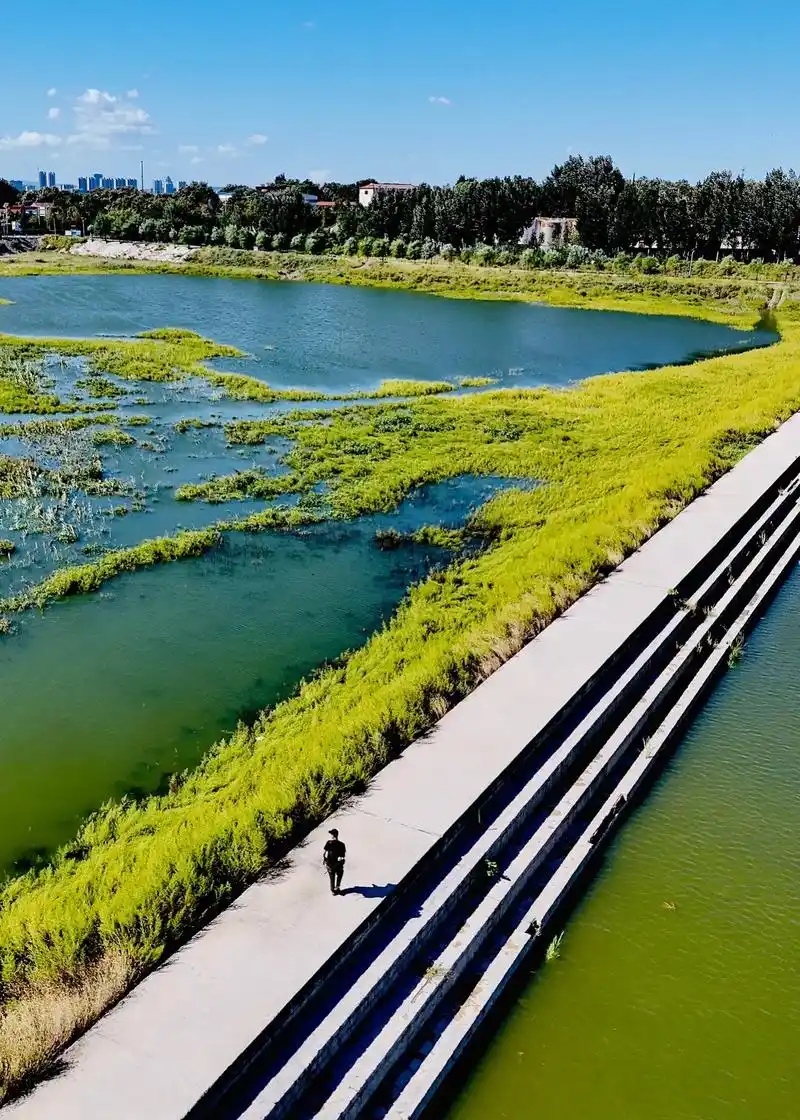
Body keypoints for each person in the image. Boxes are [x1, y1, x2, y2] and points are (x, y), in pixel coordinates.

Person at [323, 828, 346, 895]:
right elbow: (342, 856)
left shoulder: (329, 842)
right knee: (340, 873)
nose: (331, 835)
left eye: (331, 834)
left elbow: (325, 853)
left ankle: (334, 890)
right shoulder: (342, 844)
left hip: (330, 865)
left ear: (333, 835)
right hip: (337, 865)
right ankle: (337, 887)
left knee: (332, 877)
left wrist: (325, 861)